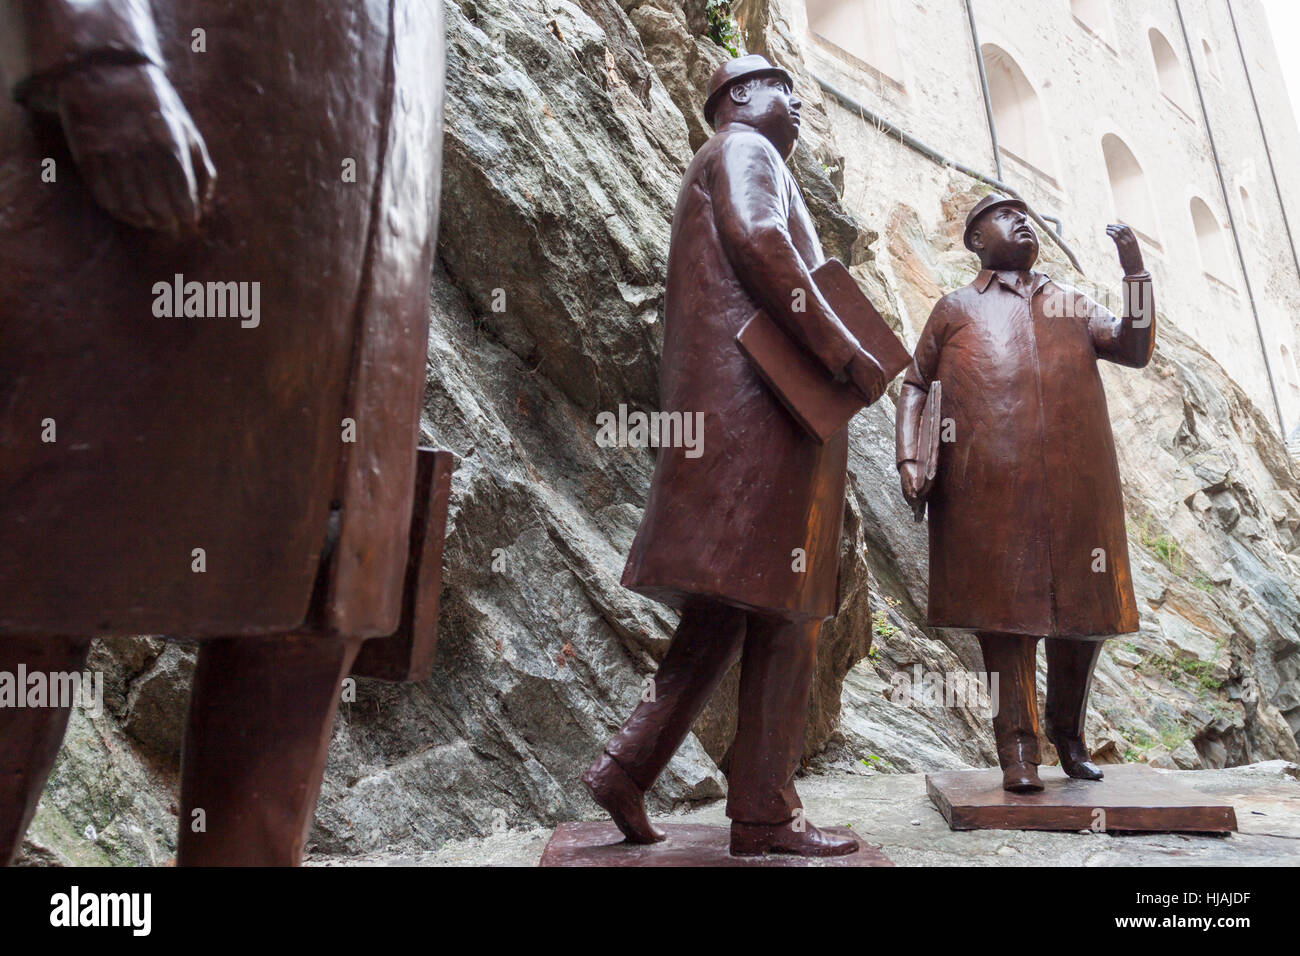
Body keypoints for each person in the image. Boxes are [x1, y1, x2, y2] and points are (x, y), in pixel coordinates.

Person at [583, 55, 886, 857]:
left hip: (742, 407)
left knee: (729, 604)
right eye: (785, 90)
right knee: (789, 604)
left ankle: (627, 766)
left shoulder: (732, 158)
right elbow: (761, 241)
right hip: (763, 408)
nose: (797, 106)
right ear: (741, 96)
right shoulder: (744, 149)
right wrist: (841, 350)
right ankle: (766, 814)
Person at [897, 193, 1155, 792]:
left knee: (1084, 621)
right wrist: (910, 456)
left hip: (1078, 489)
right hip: (990, 493)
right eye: (1003, 216)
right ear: (977, 241)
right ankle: (1017, 751)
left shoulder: (1068, 301)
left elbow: (1134, 348)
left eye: (1024, 213)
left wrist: (1135, 274)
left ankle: (1069, 738)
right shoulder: (954, 308)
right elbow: (914, 383)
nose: (1021, 221)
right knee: (1005, 624)